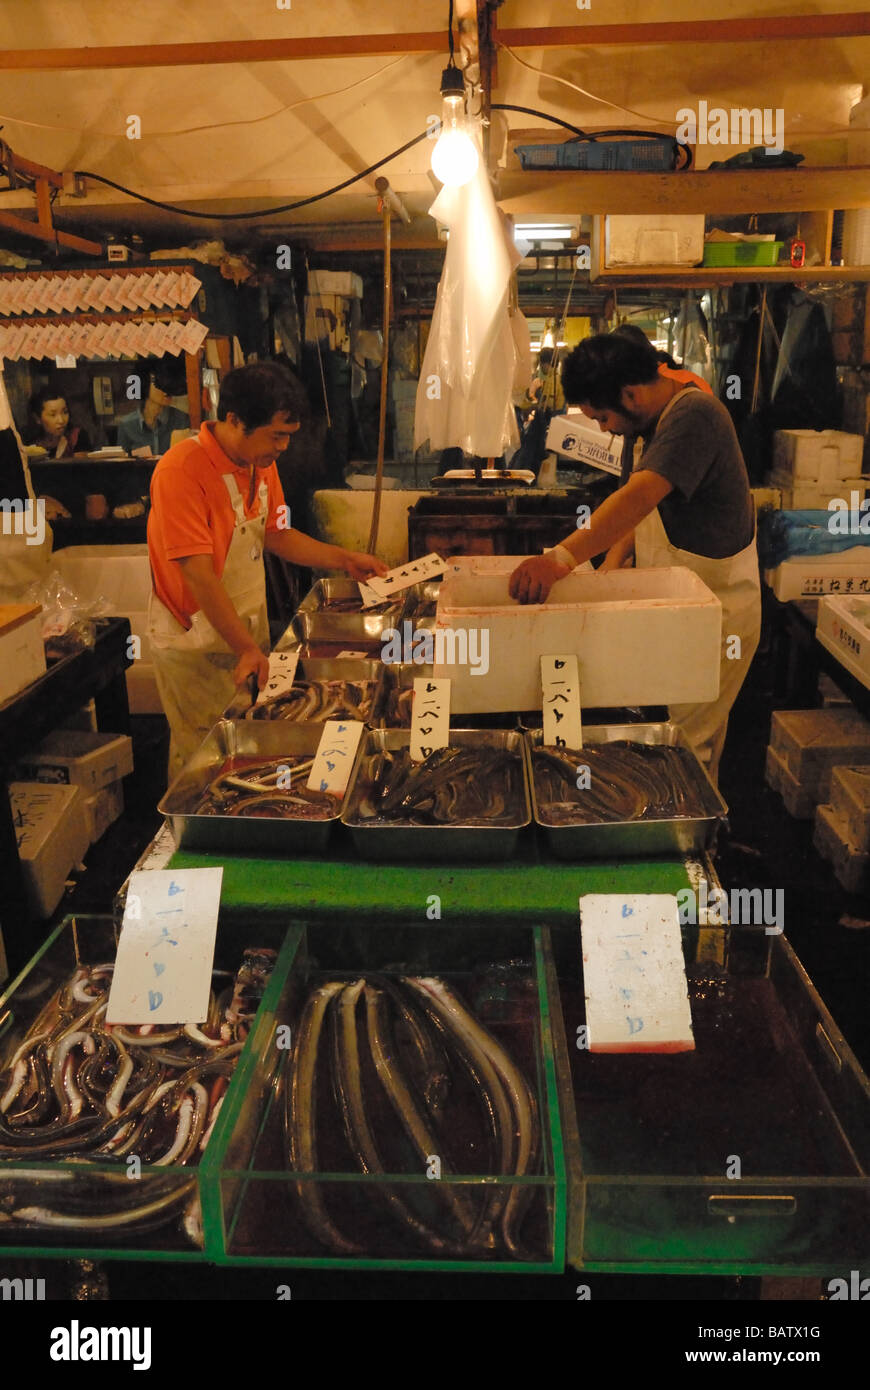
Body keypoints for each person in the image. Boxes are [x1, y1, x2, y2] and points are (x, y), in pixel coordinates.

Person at [509, 333, 760, 785]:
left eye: (602, 416)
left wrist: (560, 560)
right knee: (664, 734)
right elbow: (639, 510)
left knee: (690, 744)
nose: (603, 428)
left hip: (718, 613)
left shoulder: (694, 415)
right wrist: (608, 571)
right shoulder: (643, 423)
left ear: (631, 393)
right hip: (675, 600)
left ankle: (693, 846)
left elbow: (640, 495)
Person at [147, 361, 388, 781]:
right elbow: (198, 574)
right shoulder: (180, 470)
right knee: (203, 758)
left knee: (244, 756)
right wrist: (245, 648)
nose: (283, 447)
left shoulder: (260, 464)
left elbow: (276, 534)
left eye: (288, 436)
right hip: (195, 648)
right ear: (235, 420)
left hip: (244, 635)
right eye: (276, 435)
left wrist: (344, 559)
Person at [117, 365, 189, 456]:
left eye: (170, 382)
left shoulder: (183, 420)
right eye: (159, 382)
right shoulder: (127, 425)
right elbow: (121, 466)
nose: (167, 388)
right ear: (144, 385)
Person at [22, 390, 91, 458]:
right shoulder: (30, 443)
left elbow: (81, 467)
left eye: (65, 412)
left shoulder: (76, 436)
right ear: (37, 418)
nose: (61, 420)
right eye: (53, 415)